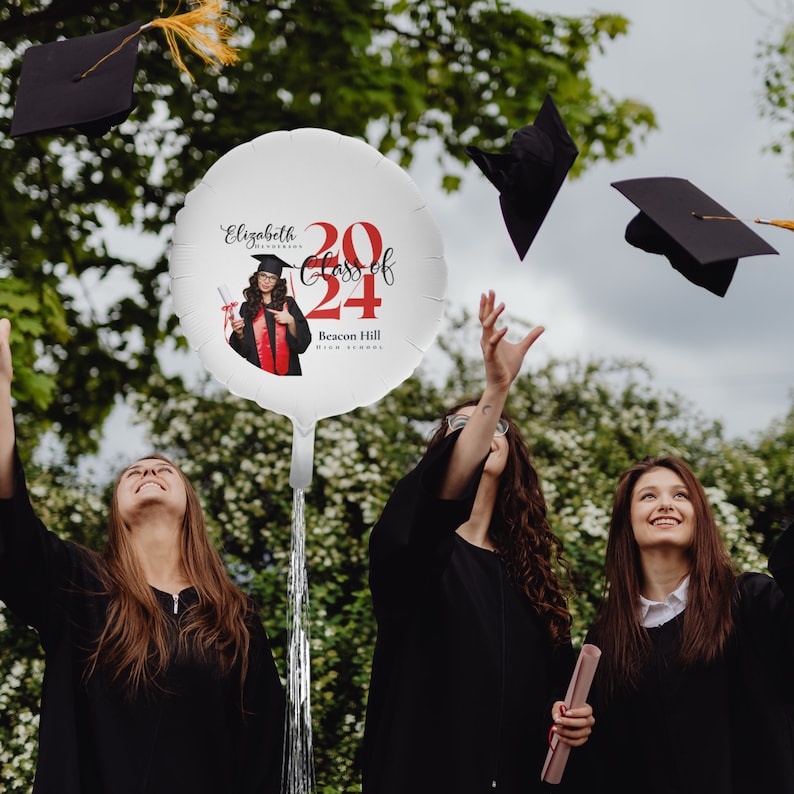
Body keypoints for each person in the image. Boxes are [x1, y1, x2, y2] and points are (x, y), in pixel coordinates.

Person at [0, 317, 285, 794]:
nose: (148, 470)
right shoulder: (78, 585)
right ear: (116, 510)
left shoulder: (235, 616)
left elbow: (263, 751)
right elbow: (11, 520)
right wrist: (1, 386)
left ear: (190, 504)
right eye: (132, 471)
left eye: (164, 469)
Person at [361, 291, 594, 794]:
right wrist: (496, 388)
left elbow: (552, 694)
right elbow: (436, 502)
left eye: (494, 425)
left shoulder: (533, 580)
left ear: (514, 455)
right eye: (461, 425)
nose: (481, 429)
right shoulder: (414, 552)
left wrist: (568, 718)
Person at [583, 454, 794, 793]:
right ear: (627, 522)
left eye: (680, 495)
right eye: (648, 496)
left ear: (700, 517)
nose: (666, 504)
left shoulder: (750, 601)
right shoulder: (606, 640)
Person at [230, 254, 311, 375]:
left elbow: (302, 345)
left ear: (277, 281)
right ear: (257, 277)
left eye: (272, 278)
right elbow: (243, 352)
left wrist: (291, 322)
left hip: (288, 374)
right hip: (257, 374)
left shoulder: (288, 304)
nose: (266, 281)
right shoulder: (247, 308)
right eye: (263, 275)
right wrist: (239, 334)